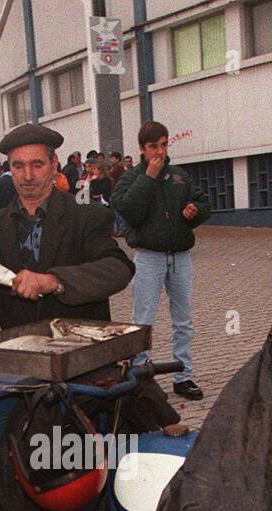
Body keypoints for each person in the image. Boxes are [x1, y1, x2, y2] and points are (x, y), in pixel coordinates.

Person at [0, 123, 134, 329]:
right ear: (9, 168)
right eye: (18, 166)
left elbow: (119, 268)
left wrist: (55, 281)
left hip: (84, 354)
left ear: (54, 163)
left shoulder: (87, 215)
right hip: (23, 356)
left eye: (37, 164)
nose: (28, 175)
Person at [111, 120, 211, 400]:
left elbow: (203, 202)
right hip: (149, 257)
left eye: (164, 145)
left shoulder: (179, 176)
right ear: (142, 148)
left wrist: (196, 211)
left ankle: (184, 376)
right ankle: (142, 378)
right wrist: (149, 177)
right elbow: (129, 211)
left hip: (180, 255)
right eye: (153, 146)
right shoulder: (131, 178)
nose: (160, 152)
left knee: (183, 320)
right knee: (143, 320)